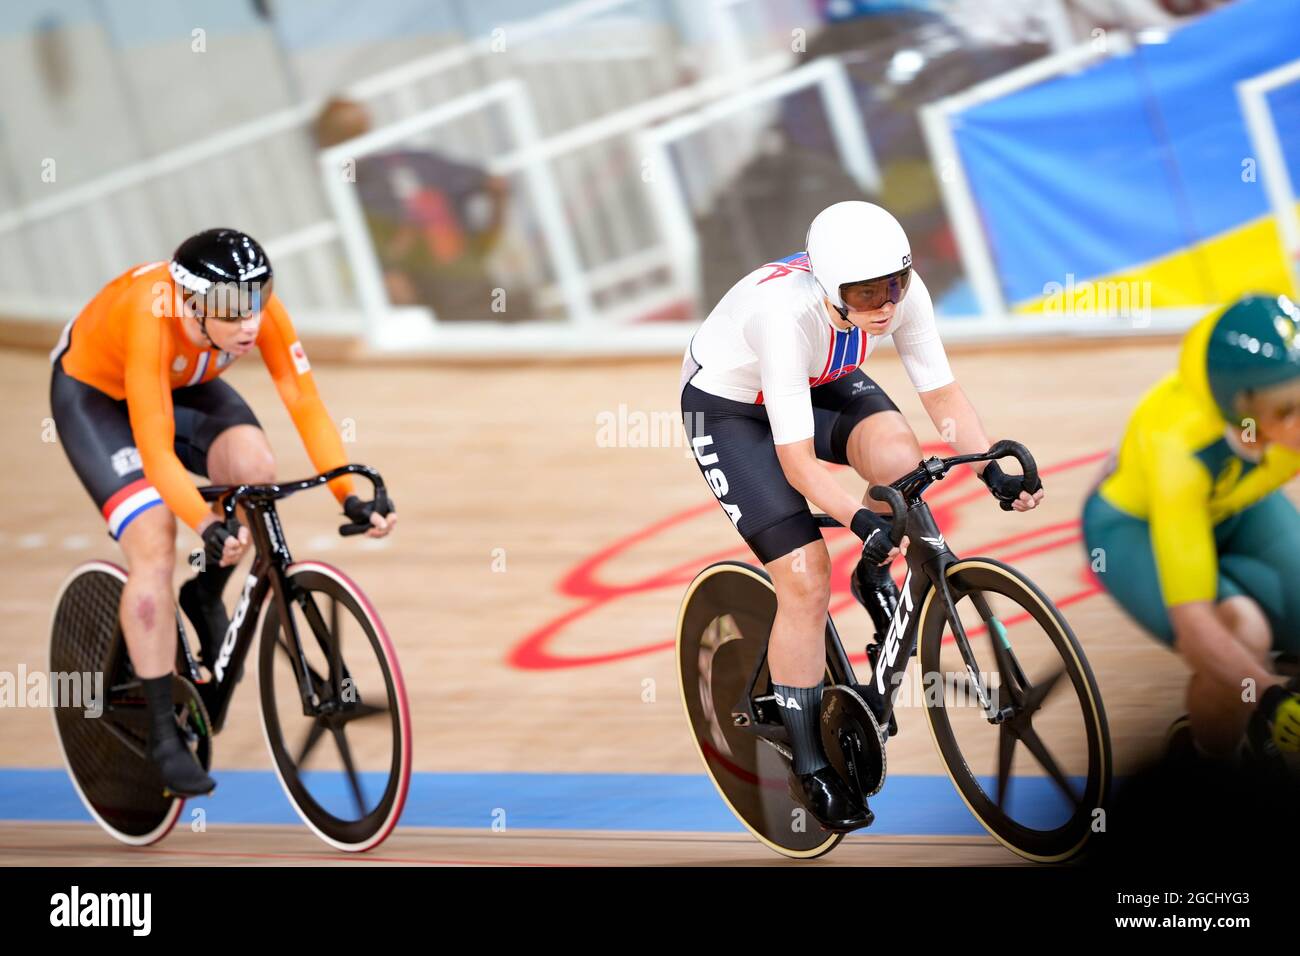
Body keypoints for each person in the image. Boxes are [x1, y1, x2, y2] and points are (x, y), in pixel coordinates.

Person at [679, 201, 1043, 831]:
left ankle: (876, 580)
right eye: (865, 291)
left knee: (901, 458)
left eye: (893, 285)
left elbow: (942, 394)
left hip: (816, 383)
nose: (884, 304)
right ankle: (811, 761)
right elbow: (796, 463)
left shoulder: (904, 294)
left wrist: (986, 468)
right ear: (827, 286)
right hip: (732, 411)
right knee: (803, 573)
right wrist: (859, 518)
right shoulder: (785, 315)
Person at [49, 229, 397, 797]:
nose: (250, 321)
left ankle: (206, 594)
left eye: (258, 299)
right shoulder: (150, 314)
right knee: (155, 537)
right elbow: (156, 450)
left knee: (255, 471)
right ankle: (163, 734)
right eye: (234, 308)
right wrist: (205, 523)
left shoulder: (252, 307)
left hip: (185, 386)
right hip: (99, 398)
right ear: (190, 301)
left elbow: (304, 400)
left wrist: (348, 493)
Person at [1082, 293, 1300, 764]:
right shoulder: (1180, 451)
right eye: (1287, 411)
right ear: (1243, 411)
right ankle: (1202, 758)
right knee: (1243, 634)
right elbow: (1195, 623)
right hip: (1133, 527)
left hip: (1235, 504)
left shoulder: (1267, 405)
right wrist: (1267, 699)